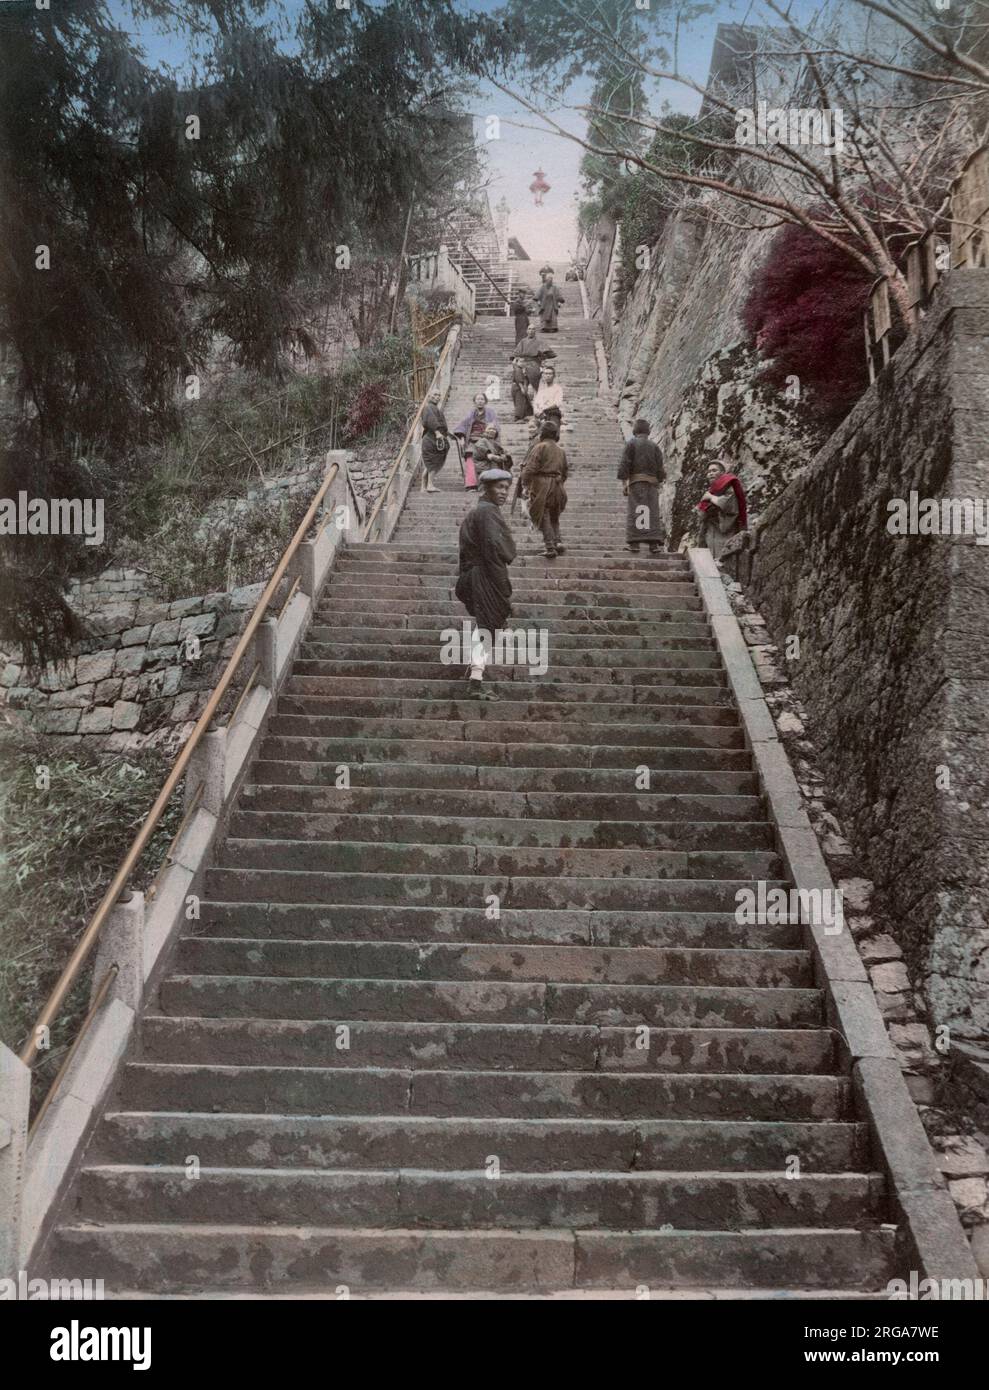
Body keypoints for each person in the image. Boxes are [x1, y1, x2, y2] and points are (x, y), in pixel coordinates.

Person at [455, 467, 517, 701]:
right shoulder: (488, 512)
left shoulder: (479, 512)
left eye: (507, 488)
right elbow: (495, 551)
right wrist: (504, 589)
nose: (504, 492)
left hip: (473, 575)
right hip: (484, 575)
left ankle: (475, 671)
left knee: (488, 627)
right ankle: (475, 683)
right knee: (488, 629)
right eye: (499, 487)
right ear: (486, 488)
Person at [521, 420, 569, 558]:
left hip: (542, 486)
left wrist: (525, 483)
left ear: (542, 433)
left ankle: (549, 547)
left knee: (543, 514)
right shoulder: (561, 451)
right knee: (554, 515)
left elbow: (530, 468)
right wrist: (558, 481)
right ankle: (557, 541)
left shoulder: (539, 447)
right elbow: (565, 472)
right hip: (558, 486)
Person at [617, 418, 665, 553]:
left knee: (638, 510)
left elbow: (624, 464)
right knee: (651, 512)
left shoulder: (631, 444)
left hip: (636, 483)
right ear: (648, 431)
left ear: (634, 431)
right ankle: (653, 544)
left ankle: (634, 544)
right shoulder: (655, 446)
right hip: (652, 484)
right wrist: (659, 481)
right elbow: (660, 468)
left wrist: (624, 483)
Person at [697, 461, 747, 559]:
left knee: (723, 558)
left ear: (722, 472)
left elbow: (730, 505)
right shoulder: (711, 490)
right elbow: (701, 513)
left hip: (724, 530)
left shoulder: (729, 486)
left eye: (714, 470)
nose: (710, 473)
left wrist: (711, 498)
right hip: (710, 531)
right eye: (709, 472)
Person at [454, 393, 498, 491]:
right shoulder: (471, 413)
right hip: (472, 441)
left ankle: (486, 484)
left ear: (485, 401)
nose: (480, 401)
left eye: (482, 399)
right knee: (470, 459)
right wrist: (461, 438)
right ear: (474, 401)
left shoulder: (490, 412)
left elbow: (494, 426)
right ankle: (471, 485)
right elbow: (463, 425)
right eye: (478, 399)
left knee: (487, 460)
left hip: (485, 440)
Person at [419, 388, 449, 494]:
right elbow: (430, 420)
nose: (437, 397)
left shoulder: (435, 408)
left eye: (439, 395)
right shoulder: (428, 407)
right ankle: (430, 485)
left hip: (435, 437)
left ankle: (423, 486)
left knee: (430, 463)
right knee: (432, 461)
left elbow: (441, 425)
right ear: (429, 396)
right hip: (432, 438)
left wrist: (448, 434)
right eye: (435, 394)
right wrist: (437, 432)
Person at [530, 364, 563, 431]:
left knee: (552, 434)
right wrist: (536, 411)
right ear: (543, 376)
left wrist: (544, 409)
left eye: (550, 374)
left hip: (553, 414)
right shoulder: (541, 390)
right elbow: (536, 402)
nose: (548, 376)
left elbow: (557, 403)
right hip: (540, 415)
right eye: (546, 374)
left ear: (554, 376)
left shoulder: (557, 388)